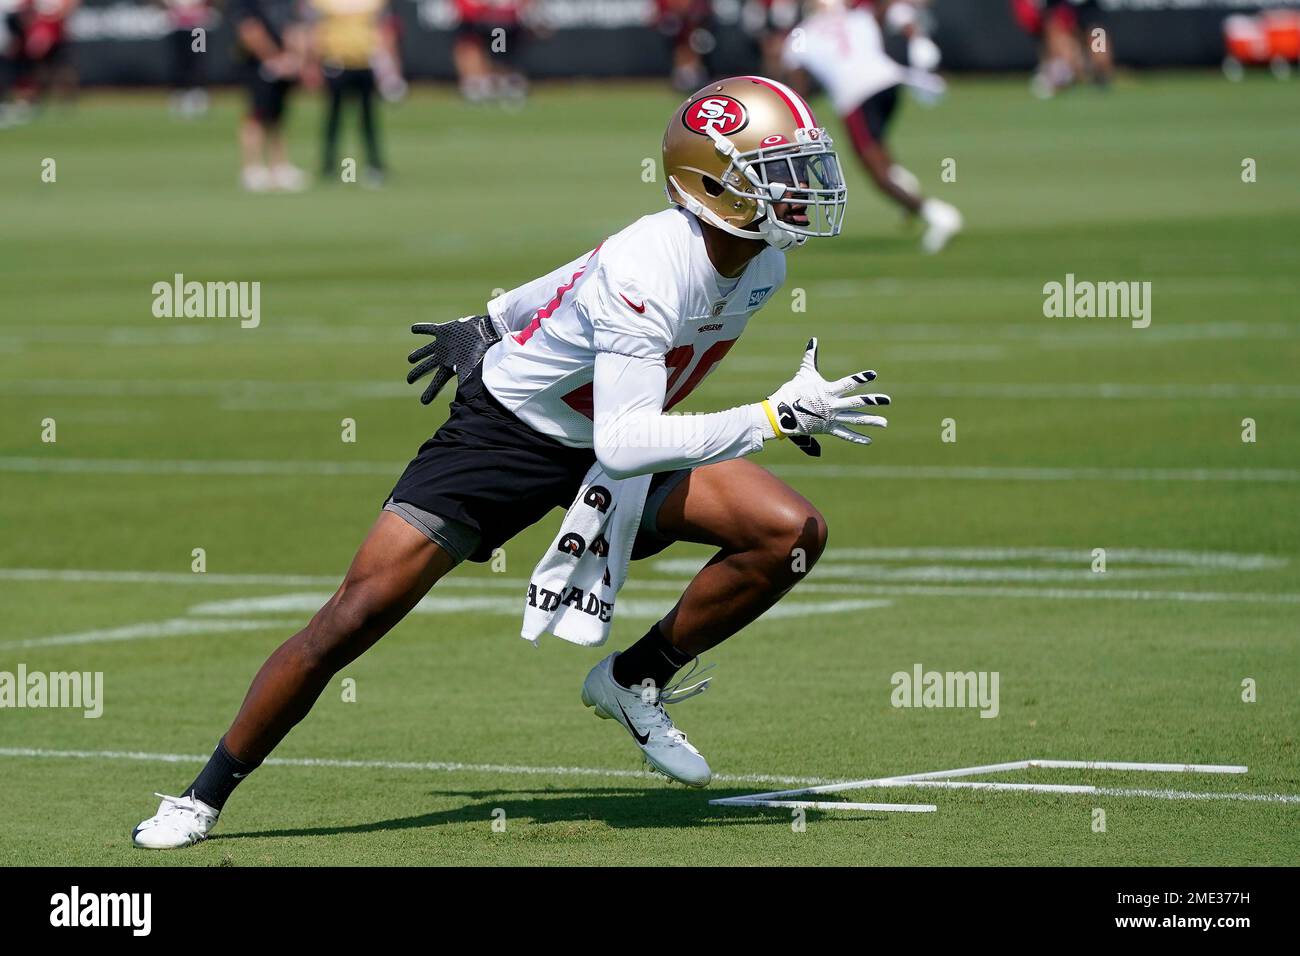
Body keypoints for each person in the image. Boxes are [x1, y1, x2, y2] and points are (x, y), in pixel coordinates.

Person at [131, 75, 892, 849]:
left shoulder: (761, 265)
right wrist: (770, 417)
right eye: (778, 170)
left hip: (619, 437)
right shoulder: (651, 265)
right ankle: (202, 797)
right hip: (510, 436)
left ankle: (635, 678)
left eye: (802, 168)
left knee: (789, 533)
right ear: (709, 184)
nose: (801, 189)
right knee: (351, 618)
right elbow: (623, 433)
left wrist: (492, 317)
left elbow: (581, 277)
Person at [782, 0, 960, 254]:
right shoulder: (859, 17)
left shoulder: (799, 37)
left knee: (875, 171)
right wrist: (918, 37)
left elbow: (799, 93)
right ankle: (903, 185)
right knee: (879, 151)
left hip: (856, 96)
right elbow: (895, 10)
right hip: (890, 82)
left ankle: (937, 214)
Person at [307, 0, 392, 184]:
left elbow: (382, 29)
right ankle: (329, 165)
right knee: (333, 118)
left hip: (365, 62)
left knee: (367, 117)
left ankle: (374, 164)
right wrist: (313, 62)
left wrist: (387, 65)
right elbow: (316, 30)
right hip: (336, 63)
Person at [232, 0, 308, 191]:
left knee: (278, 117)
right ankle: (253, 169)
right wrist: (273, 58)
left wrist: (294, 58)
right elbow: (249, 30)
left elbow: (295, 27)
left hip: (285, 65)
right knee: (256, 116)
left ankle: (279, 166)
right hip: (258, 65)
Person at [160, 0, 213, 118]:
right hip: (178, 26)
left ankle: (197, 96)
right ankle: (179, 95)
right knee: (179, 62)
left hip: (198, 27)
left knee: (198, 62)